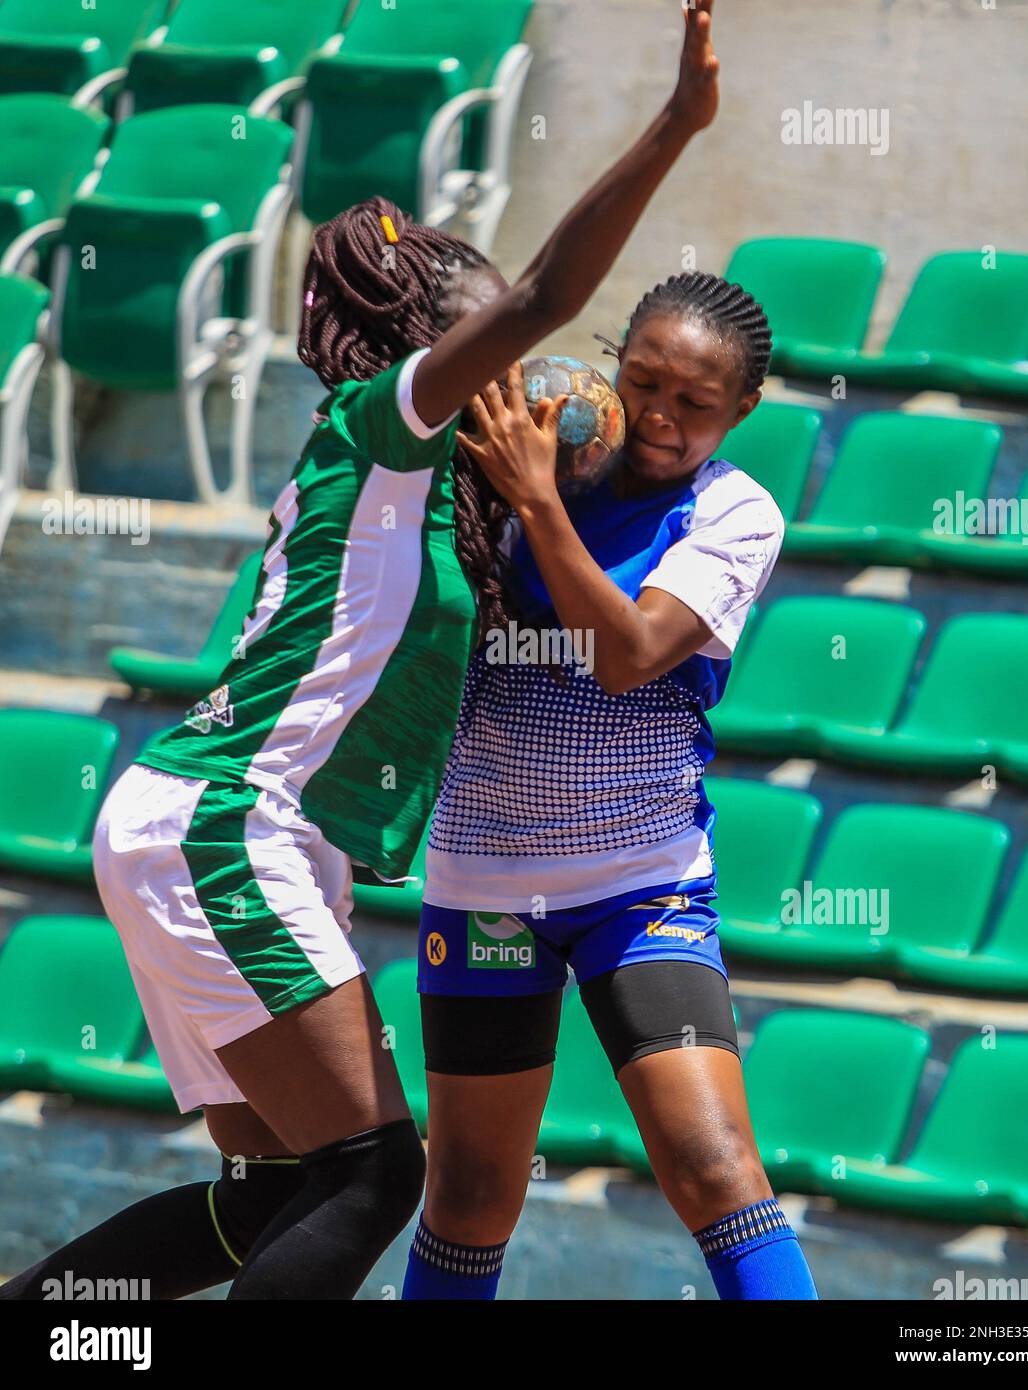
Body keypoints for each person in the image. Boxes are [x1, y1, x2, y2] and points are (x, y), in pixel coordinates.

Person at [0, 0, 723, 1302]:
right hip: (228, 824)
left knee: (279, 1183)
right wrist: (674, 124)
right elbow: (559, 291)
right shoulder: (380, 423)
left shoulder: (422, 488)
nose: (520, 339)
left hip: (217, 824)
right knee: (375, 1172)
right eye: (483, 320)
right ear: (428, 341)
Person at [401, 272, 819, 1301]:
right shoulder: (521, 451)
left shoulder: (730, 511)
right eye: (645, 383)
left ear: (744, 412)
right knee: (465, 1192)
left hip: (643, 885)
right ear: (612, 363)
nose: (663, 419)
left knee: (715, 1169)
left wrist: (535, 502)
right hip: (486, 882)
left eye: (698, 403)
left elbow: (628, 654)